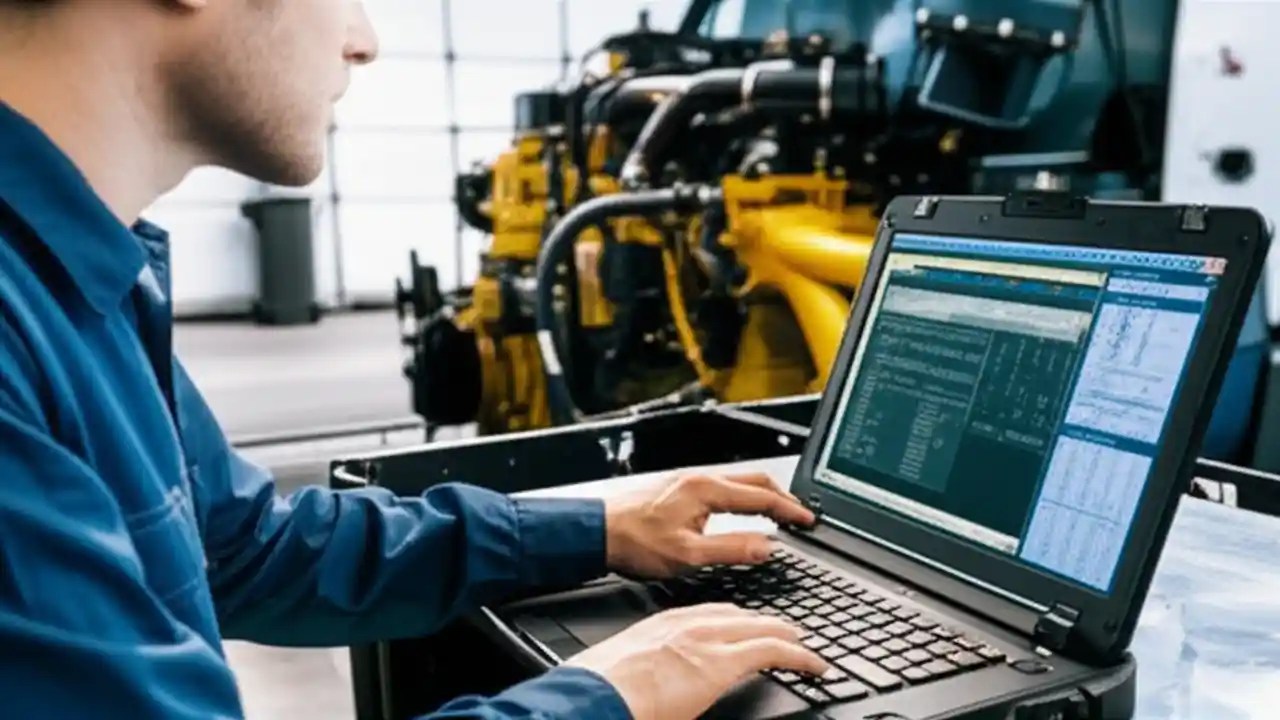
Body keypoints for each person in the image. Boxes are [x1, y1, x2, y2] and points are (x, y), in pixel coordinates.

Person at [0, 1, 831, 718]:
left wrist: (603, 530)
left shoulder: (78, 281)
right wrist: (603, 697)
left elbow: (239, 546)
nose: (362, 40)